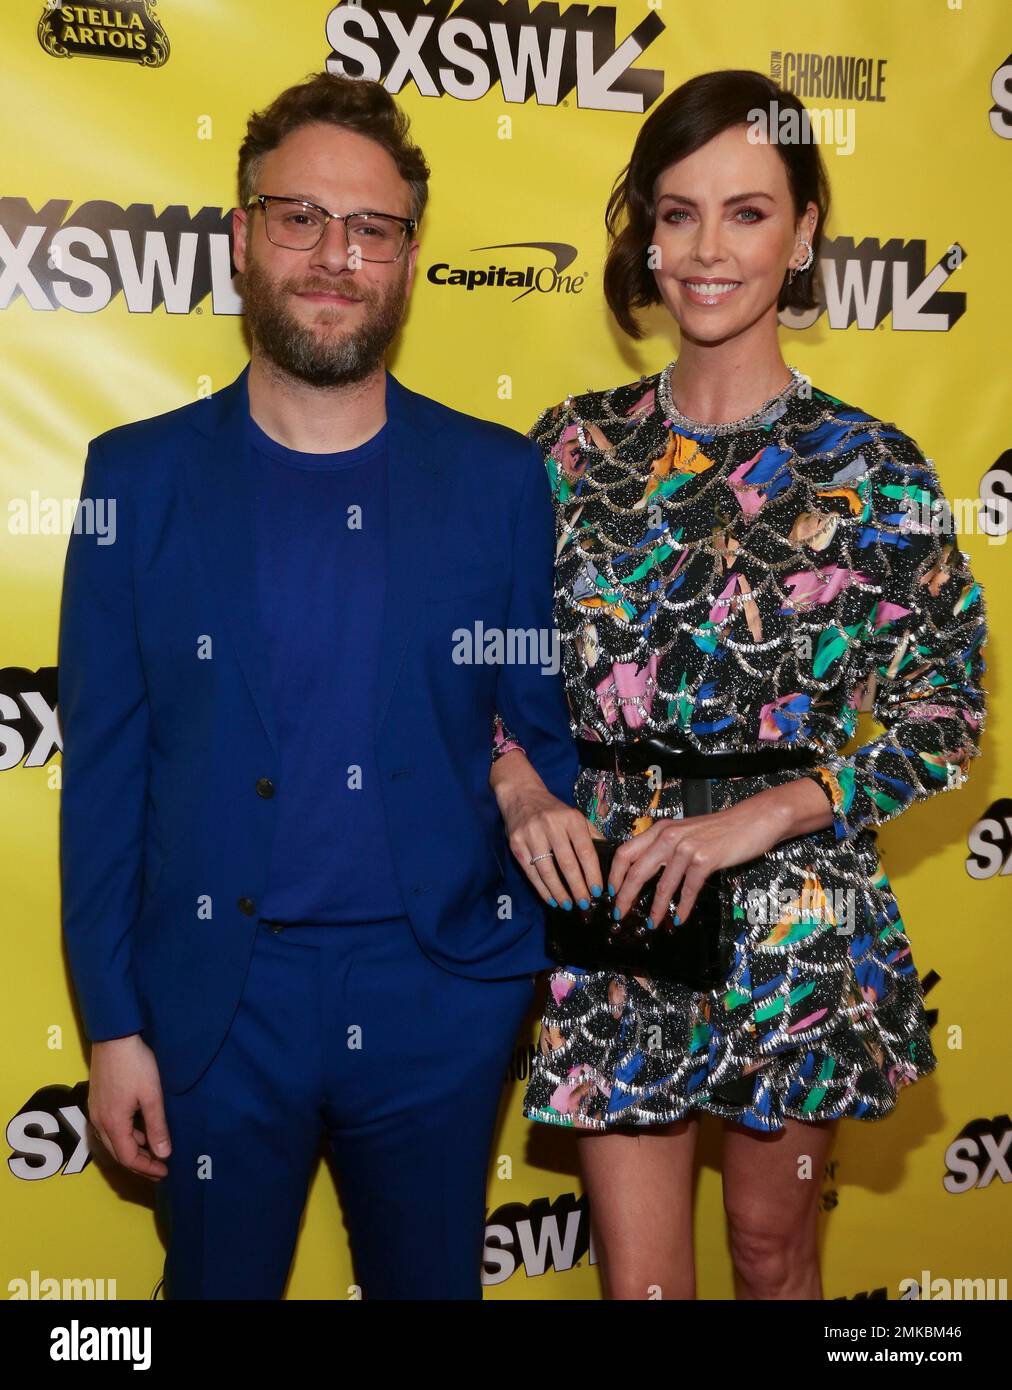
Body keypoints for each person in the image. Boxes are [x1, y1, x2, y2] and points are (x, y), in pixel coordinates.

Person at [57, 72, 583, 1300]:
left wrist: (519, 804)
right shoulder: (131, 482)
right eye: (299, 218)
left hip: (437, 1000)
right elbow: (105, 779)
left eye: (371, 230)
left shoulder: (499, 482)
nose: (335, 256)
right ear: (240, 236)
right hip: (212, 1010)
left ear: (407, 259)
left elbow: (535, 731)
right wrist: (113, 1026)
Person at [490, 69, 988, 1300]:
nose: (708, 250)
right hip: (620, 899)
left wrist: (763, 813)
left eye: (748, 212)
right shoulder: (567, 447)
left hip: (795, 908)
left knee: (775, 1258)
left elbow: (947, 714)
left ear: (806, 228)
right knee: (641, 1286)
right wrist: (514, 786)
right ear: (644, 233)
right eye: (677, 212)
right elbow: (487, 670)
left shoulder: (872, 467)